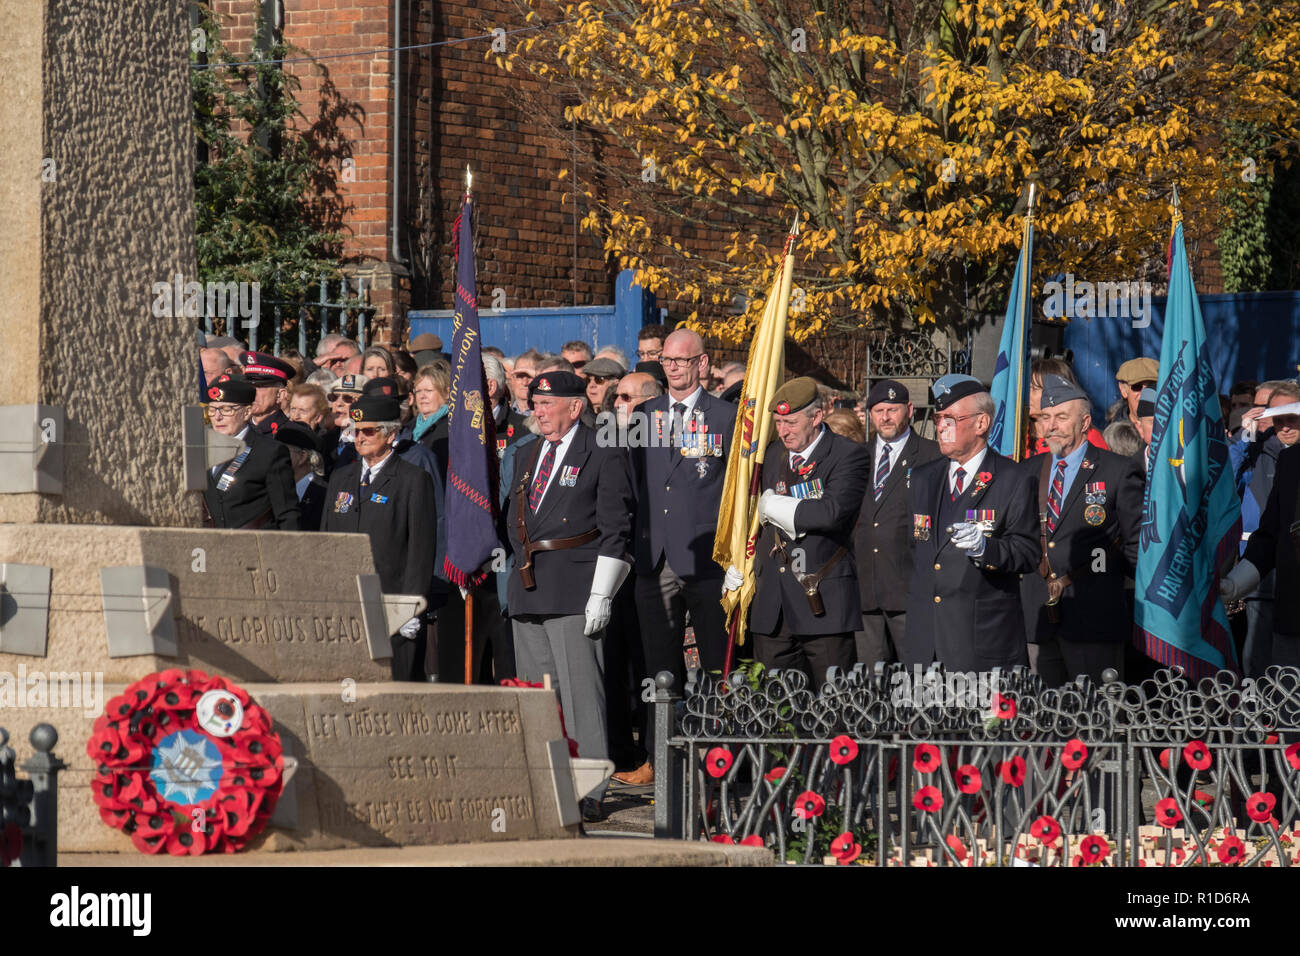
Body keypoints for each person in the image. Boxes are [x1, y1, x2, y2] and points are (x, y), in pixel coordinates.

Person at [501, 371, 634, 821]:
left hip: (576, 583)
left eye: (547, 403)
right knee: (540, 697)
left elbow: (617, 528)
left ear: (575, 407)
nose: (537, 411)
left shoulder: (602, 450)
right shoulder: (528, 453)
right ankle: (549, 780)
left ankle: (591, 785)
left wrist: (602, 593)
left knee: (581, 695)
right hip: (529, 584)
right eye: (534, 403)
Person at [729, 377, 869, 688]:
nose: (783, 430)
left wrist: (776, 506)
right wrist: (740, 560)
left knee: (834, 704)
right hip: (773, 604)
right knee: (777, 709)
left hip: (821, 598)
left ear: (817, 417)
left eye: (791, 422)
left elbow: (832, 513)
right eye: (778, 422)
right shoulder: (771, 455)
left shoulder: (847, 455)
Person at [903, 374, 1039, 672]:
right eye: (939, 418)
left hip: (982, 639)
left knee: (981, 720)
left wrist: (984, 549)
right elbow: (917, 548)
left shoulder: (1012, 478)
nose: (940, 427)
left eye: (950, 419)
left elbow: (1028, 552)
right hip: (927, 641)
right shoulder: (924, 477)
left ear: (981, 424)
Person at [1019, 375, 1143, 686]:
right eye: (1045, 418)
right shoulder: (1027, 471)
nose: (1051, 426)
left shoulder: (1117, 469)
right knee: (1043, 719)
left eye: (1061, 417)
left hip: (1094, 618)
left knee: (1097, 717)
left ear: (1085, 422)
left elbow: (1135, 544)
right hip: (1038, 620)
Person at [321, 394, 439, 681]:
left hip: (391, 602)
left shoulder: (412, 480)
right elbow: (325, 539)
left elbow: (420, 549)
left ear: (391, 433)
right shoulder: (342, 477)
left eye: (368, 431)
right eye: (355, 431)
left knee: (392, 689)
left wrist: (411, 607)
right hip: (345, 601)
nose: (359, 438)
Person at [852, 380, 941, 669]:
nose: (885, 417)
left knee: (919, 678)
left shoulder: (933, 455)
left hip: (911, 589)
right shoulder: (856, 457)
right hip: (865, 589)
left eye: (892, 409)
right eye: (878, 410)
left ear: (910, 410)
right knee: (869, 685)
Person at [1226, 385, 1300, 677]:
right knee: (1283, 701)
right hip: (1291, 610)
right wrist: (1234, 583)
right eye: (1278, 417)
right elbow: (1269, 535)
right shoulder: (1290, 461)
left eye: (1292, 416)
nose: (1285, 426)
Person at [202, 376, 301, 530]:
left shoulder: (269, 452)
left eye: (227, 409)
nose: (218, 417)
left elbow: (287, 513)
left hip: (256, 546)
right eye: (213, 409)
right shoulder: (200, 449)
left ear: (247, 412)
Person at [275, 421, 328, 531]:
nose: (276, 456)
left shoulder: (324, 493)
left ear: (303, 457)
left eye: (283, 450)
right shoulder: (274, 488)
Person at [407, 362, 451, 479]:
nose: (422, 396)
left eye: (428, 390)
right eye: (419, 391)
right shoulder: (407, 428)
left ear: (447, 393)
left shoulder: (452, 427)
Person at [240, 351, 294, 437]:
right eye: (249, 385)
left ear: (280, 395)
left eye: (260, 386)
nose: (252, 392)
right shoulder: (237, 430)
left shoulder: (293, 435)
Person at [1115, 357, 1159, 429]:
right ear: (1123, 390)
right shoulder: (1111, 436)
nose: (1145, 393)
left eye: (1152, 386)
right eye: (1137, 387)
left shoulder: (1175, 431)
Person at [510, 349, 543, 414]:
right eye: (520, 376)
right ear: (512, 380)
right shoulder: (501, 414)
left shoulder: (547, 415)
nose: (525, 383)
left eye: (530, 376)